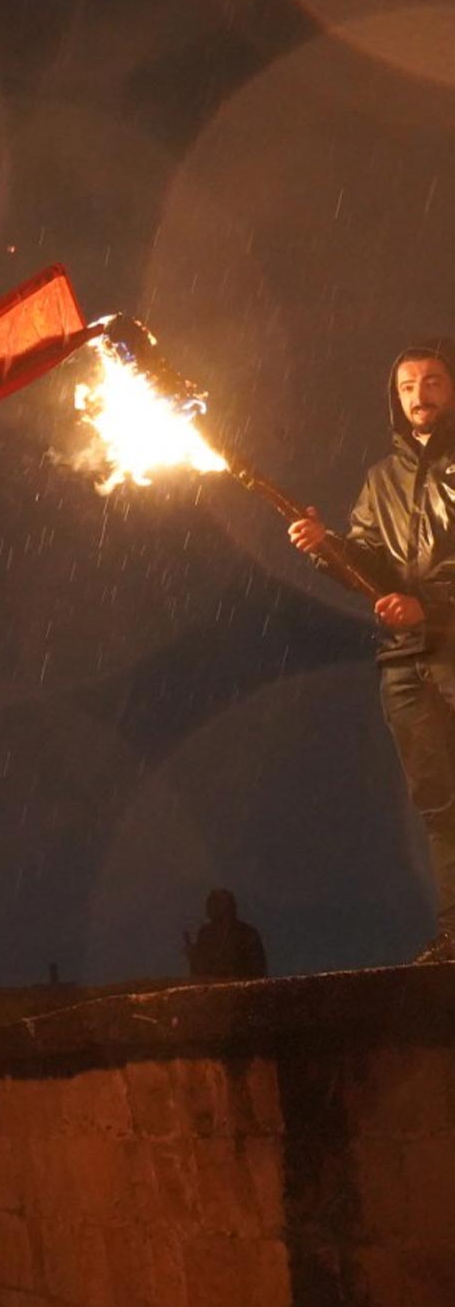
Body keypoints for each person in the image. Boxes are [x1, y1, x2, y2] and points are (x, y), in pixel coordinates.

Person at [289, 338, 455, 963]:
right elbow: (372, 569)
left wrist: (433, 611)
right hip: (404, 662)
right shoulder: (380, 480)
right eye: (408, 385)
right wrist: (325, 545)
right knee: (439, 803)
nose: (420, 394)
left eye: (434, 381)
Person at [184, 888, 267, 979]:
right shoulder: (205, 934)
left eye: (216, 904)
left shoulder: (247, 934)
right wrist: (194, 957)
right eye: (211, 904)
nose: (209, 908)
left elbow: (258, 970)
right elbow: (201, 972)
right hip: (214, 990)